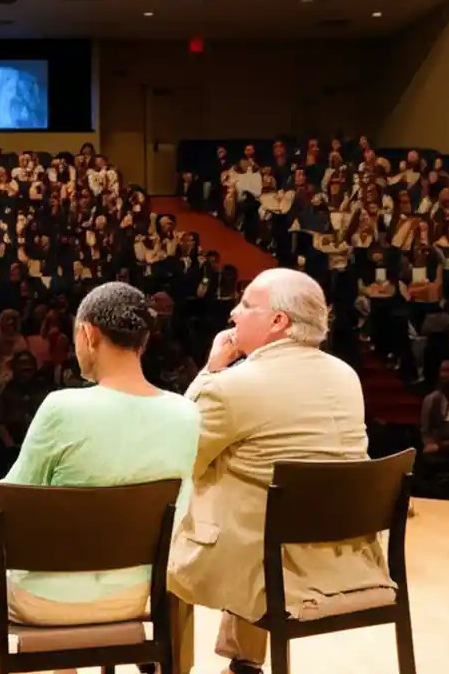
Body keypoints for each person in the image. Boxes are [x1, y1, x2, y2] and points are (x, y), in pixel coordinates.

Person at [0, 282, 199, 673]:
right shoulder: (187, 413)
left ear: (88, 334)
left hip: (44, 603)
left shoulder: (63, 407)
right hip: (136, 597)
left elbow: (16, 494)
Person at [168, 268, 395, 674]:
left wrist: (210, 369)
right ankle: (245, 662)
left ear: (278, 321)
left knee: (168, 536)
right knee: (251, 486)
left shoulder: (233, 385)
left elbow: (179, 455)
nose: (234, 313)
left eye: (246, 305)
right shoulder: (346, 375)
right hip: (345, 555)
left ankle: (168, 669)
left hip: (272, 569)